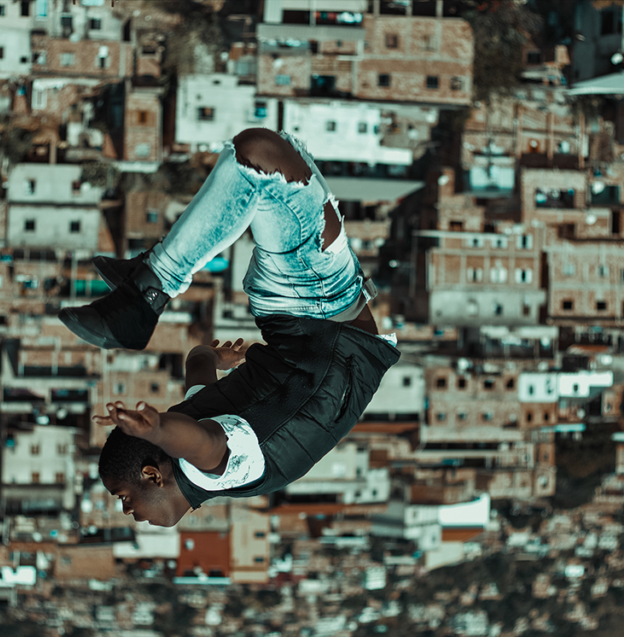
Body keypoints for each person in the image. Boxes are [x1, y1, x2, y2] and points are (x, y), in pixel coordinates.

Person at [60, 128, 401, 526]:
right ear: (153, 475)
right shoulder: (216, 468)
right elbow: (198, 439)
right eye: (122, 496)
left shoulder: (204, 440)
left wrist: (209, 363)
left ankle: (148, 289)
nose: (127, 510)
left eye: (123, 497)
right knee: (273, 158)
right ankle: (149, 278)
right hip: (315, 309)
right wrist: (155, 430)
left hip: (312, 304)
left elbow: (197, 365)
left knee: (261, 157)